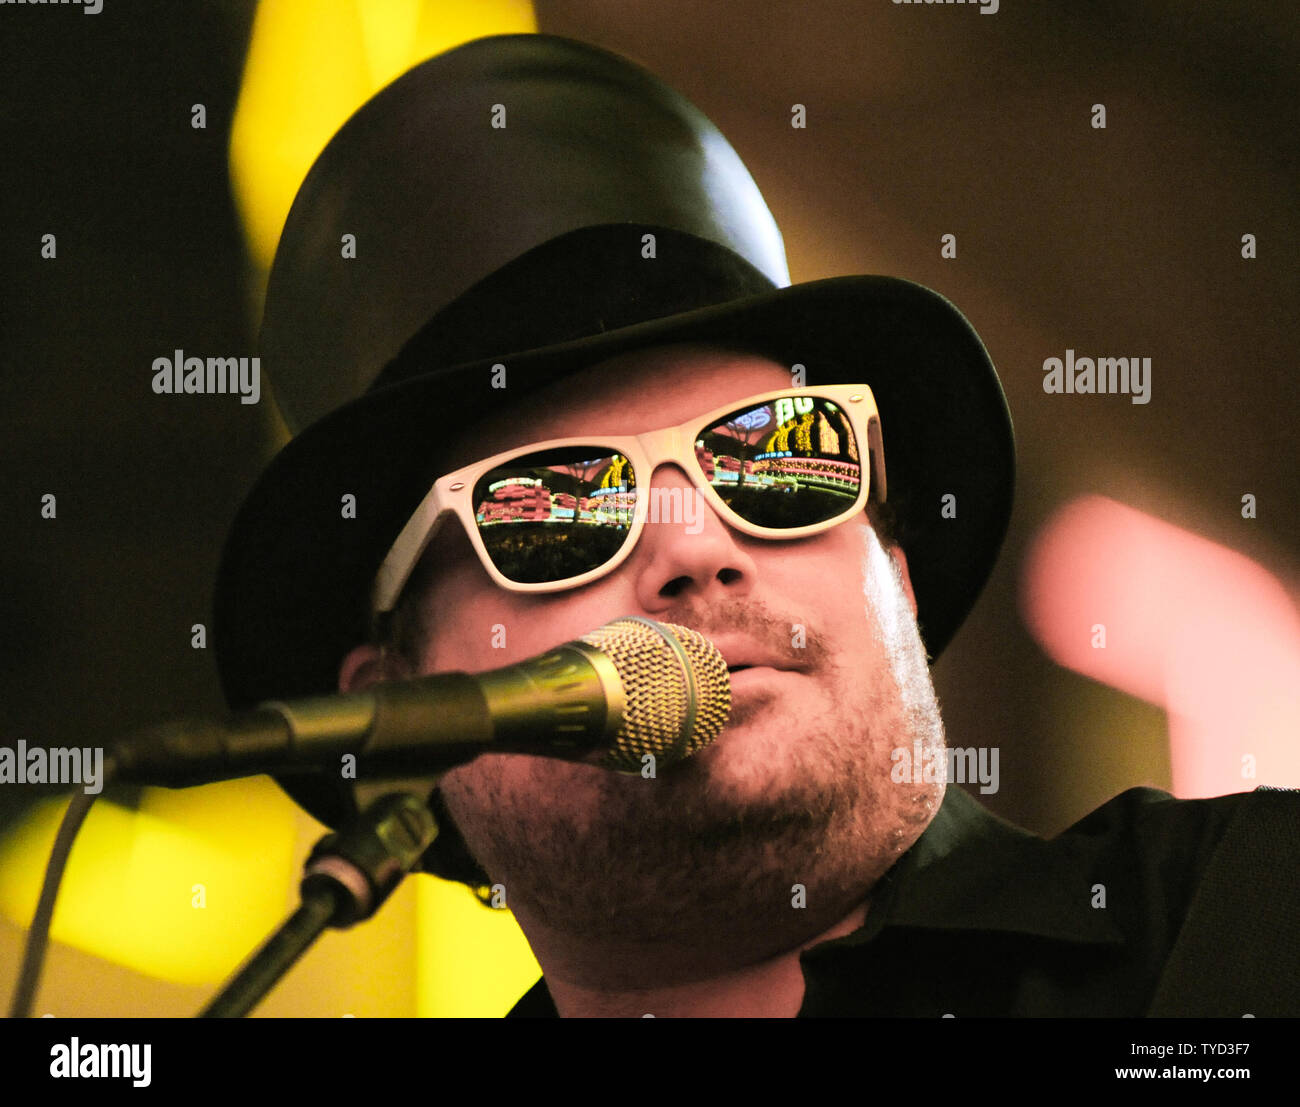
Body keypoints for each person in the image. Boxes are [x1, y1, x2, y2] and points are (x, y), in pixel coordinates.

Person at [213, 33, 1299, 1018]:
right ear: (408, 711)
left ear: (895, 574)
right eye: (559, 504)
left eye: (776, 457)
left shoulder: (1245, 924)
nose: (694, 550)